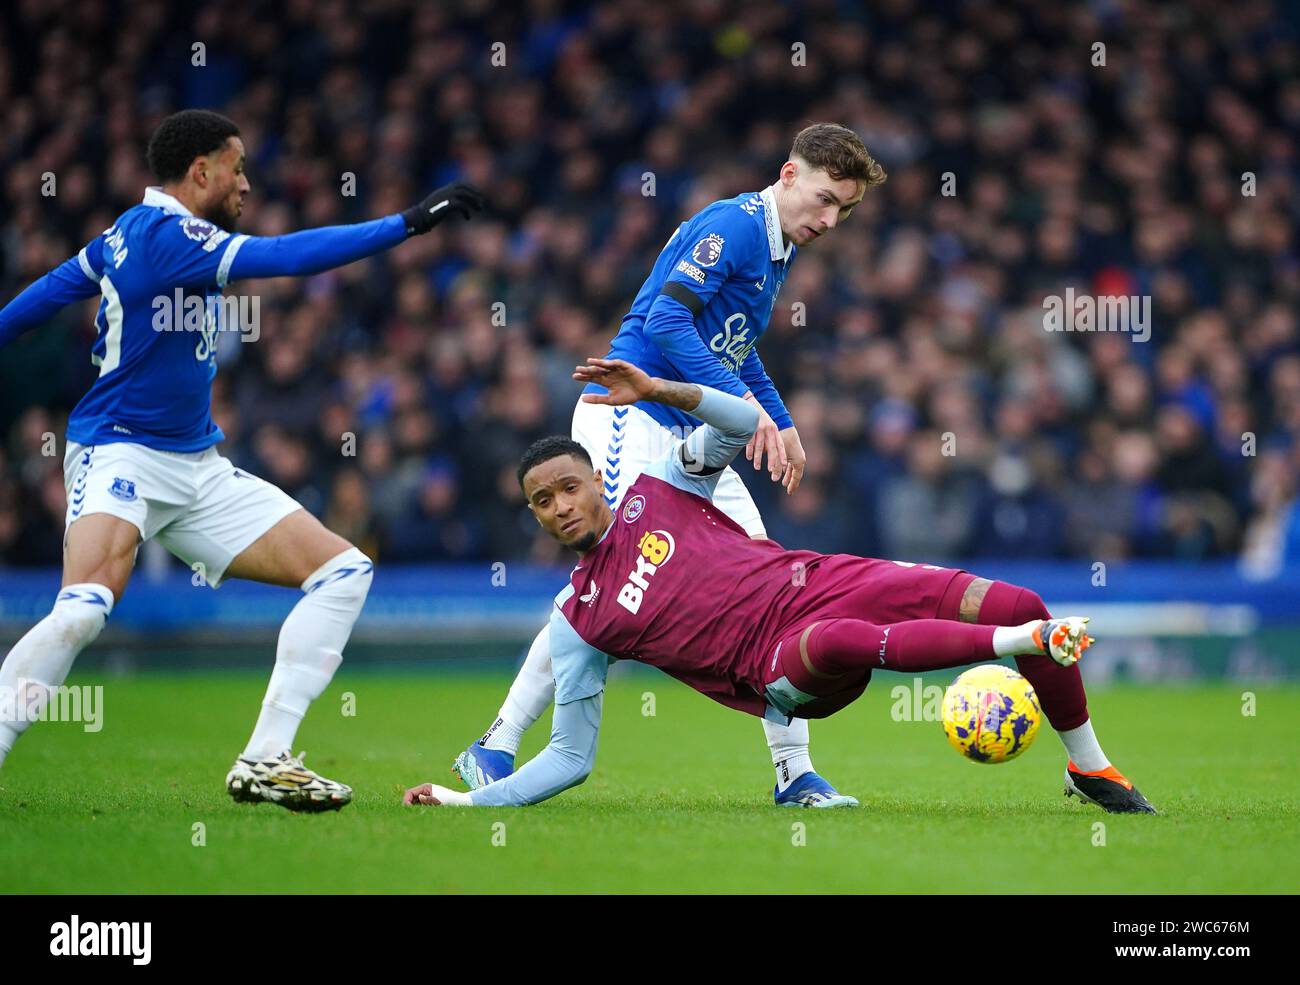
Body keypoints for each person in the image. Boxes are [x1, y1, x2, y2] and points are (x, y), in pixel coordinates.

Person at [406, 358, 1156, 814]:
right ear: (534, 517)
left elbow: (735, 422)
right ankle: (1014, 646)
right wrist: (468, 800)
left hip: (818, 578)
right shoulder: (578, 620)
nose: (561, 507)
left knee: (1019, 599)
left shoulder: (657, 484)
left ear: (593, 484)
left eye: (567, 488)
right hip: (779, 669)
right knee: (841, 641)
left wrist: (660, 388)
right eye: (543, 502)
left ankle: (1088, 764)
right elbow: (571, 758)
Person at [0, 109, 486, 811]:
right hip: (119, 452)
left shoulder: (120, 237)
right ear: (201, 171)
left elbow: (46, 294)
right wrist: (406, 224)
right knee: (82, 610)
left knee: (343, 570)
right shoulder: (174, 237)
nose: (247, 184)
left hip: (197, 467)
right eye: (238, 167)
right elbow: (286, 256)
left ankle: (265, 758)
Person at [454, 122, 887, 808]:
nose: (830, 219)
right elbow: (664, 324)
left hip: (690, 430)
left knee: (768, 579)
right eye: (826, 199)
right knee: (612, 588)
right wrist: (747, 407)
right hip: (632, 414)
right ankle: (497, 741)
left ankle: (793, 772)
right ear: (788, 175)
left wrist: (781, 422)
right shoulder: (736, 227)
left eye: (844, 209)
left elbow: (735, 349)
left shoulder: (776, 247)